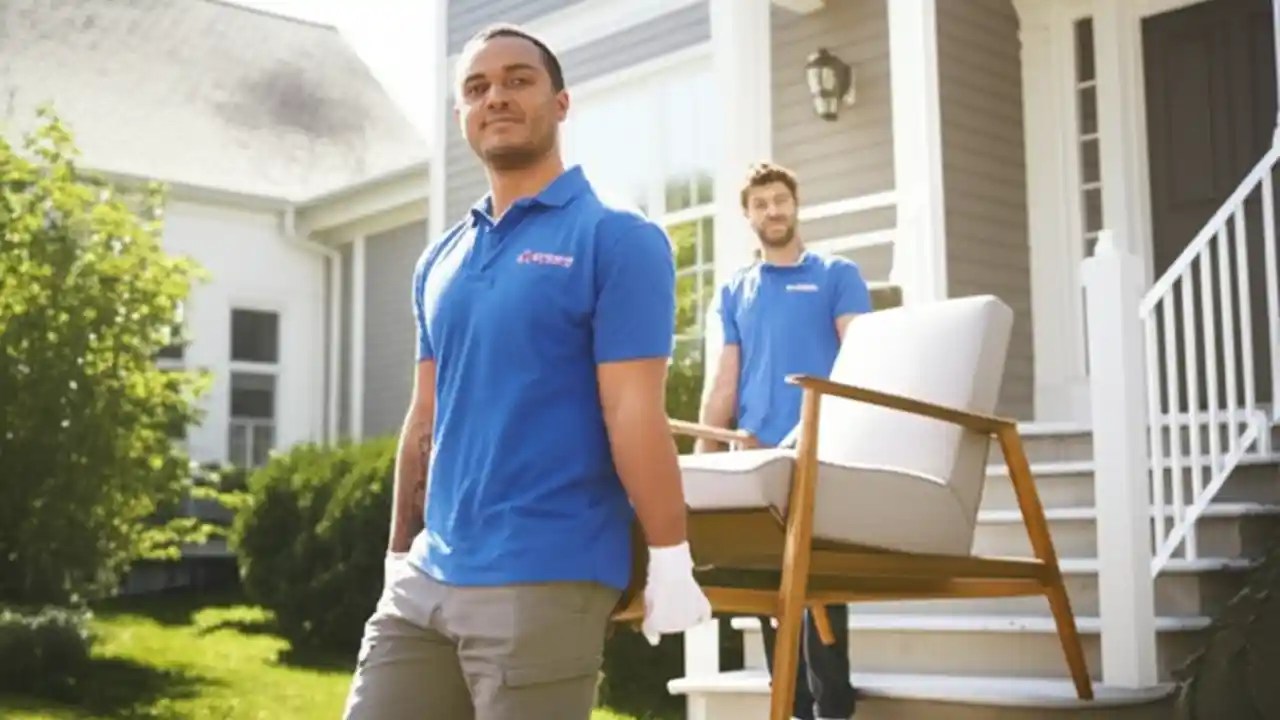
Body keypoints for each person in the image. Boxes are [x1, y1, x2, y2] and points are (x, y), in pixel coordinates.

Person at [341, 24, 711, 720]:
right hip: (425, 580)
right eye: (477, 88)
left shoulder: (618, 240)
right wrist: (397, 554)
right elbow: (425, 420)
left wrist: (670, 554)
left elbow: (632, 411)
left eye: (518, 79)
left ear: (561, 103)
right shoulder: (440, 260)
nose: (497, 97)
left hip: (544, 575)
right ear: (462, 118)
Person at [698, 162, 870, 720]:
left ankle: (834, 706)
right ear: (748, 215)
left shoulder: (836, 275)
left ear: (795, 204)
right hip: (758, 457)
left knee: (820, 581)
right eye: (761, 203)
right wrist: (704, 459)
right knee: (773, 592)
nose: (772, 210)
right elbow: (724, 379)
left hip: (822, 446)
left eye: (780, 200)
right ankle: (791, 706)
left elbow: (861, 359)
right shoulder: (734, 291)